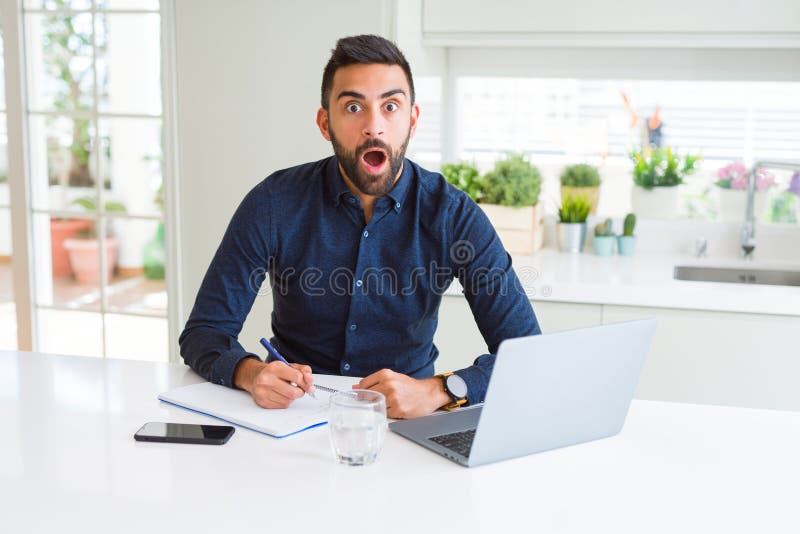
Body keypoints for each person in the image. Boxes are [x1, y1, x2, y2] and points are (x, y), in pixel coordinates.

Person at [179, 34, 541, 419]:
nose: (374, 126)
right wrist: (251, 374)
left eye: (390, 106)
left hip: (405, 424)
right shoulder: (273, 203)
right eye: (353, 107)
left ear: (412, 120)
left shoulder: (454, 215)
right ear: (325, 123)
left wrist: (439, 390)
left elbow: (527, 354)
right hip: (294, 416)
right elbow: (204, 334)